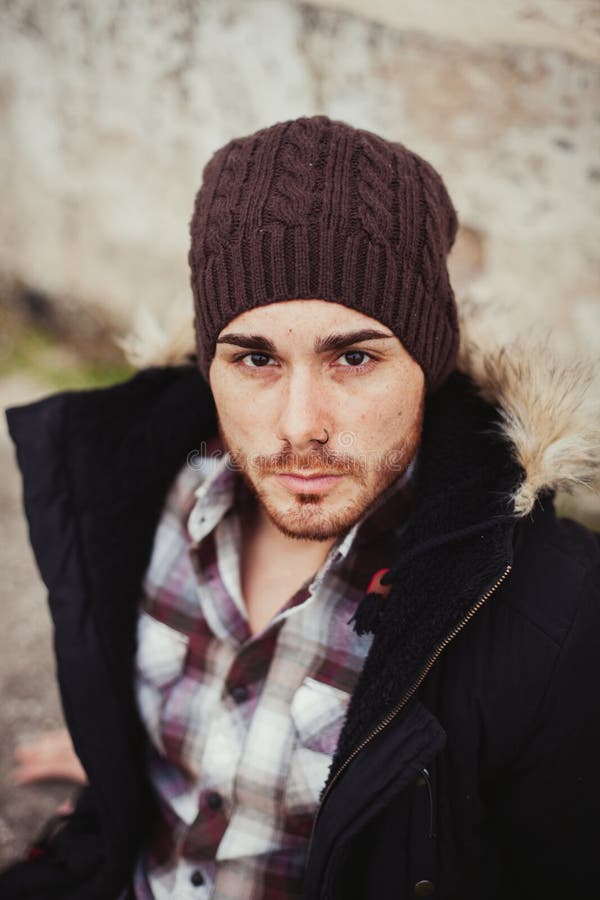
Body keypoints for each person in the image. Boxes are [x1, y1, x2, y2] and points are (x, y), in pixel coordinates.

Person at [1, 115, 598, 900]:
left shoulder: (555, 616)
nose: (297, 426)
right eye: (255, 359)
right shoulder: (140, 497)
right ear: (209, 364)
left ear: (428, 360)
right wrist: (131, 752)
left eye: (354, 357)